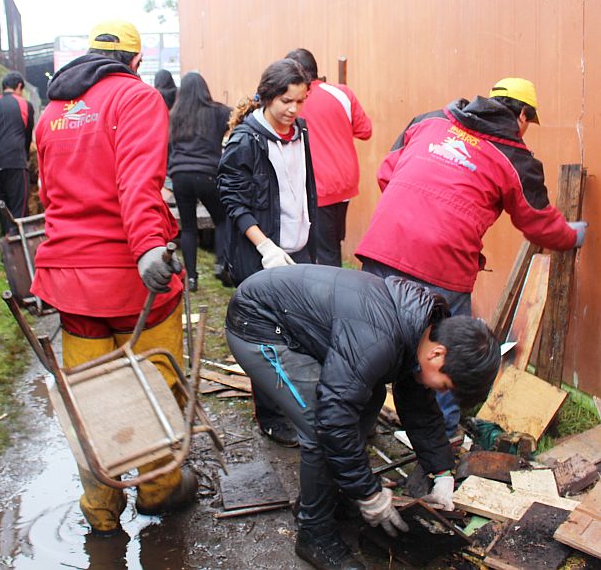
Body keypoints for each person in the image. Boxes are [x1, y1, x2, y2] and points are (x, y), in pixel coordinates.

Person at [31, 20, 196, 535]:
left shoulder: (52, 112)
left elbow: (48, 195)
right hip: (130, 278)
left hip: (71, 282)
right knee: (152, 382)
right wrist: (149, 245)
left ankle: (101, 509)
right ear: (136, 60)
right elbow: (139, 181)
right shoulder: (137, 97)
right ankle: (157, 490)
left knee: (89, 396)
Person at [226, 264, 500, 570]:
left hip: (292, 319)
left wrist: (442, 473)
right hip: (259, 323)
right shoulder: (379, 339)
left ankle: (328, 495)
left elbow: (420, 409)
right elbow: (333, 418)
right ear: (438, 355)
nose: (441, 391)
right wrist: (368, 492)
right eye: (446, 385)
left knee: (371, 398)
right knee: (320, 426)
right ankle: (314, 534)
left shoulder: (423, 329)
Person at [355, 77, 588, 437]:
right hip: (441, 265)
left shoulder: (429, 121)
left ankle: (355, 428)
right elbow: (537, 223)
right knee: (448, 350)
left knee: (369, 339)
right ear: (522, 115)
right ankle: (443, 435)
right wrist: (572, 235)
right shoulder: (514, 157)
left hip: (382, 245)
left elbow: (388, 172)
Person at [217, 58, 317, 447]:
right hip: (265, 255)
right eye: (286, 102)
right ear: (267, 97)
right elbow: (231, 199)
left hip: (299, 249)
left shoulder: (301, 131)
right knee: (267, 338)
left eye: (300, 102)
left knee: (300, 334)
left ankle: (299, 402)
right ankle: (273, 417)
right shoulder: (247, 140)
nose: (293, 110)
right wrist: (265, 246)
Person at [286, 48, 372, 267]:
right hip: (345, 182)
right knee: (333, 243)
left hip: (318, 186)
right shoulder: (342, 93)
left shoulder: (293, 102)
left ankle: (328, 298)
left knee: (323, 253)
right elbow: (365, 131)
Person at [168, 72, 231, 292]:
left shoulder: (173, 115)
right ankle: (222, 263)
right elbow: (237, 120)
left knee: (188, 227)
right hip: (208, 174)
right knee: (222, 219)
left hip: (180, 175)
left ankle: (191, 278)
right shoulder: (219, 112)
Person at [0, 70, 35, 235]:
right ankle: (21, 254)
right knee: (19, 211)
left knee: (3, 212)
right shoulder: (24, 104)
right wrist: (25, 157)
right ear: (19, 86)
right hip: (15, 162)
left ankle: (8, 257)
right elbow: (27, 135)